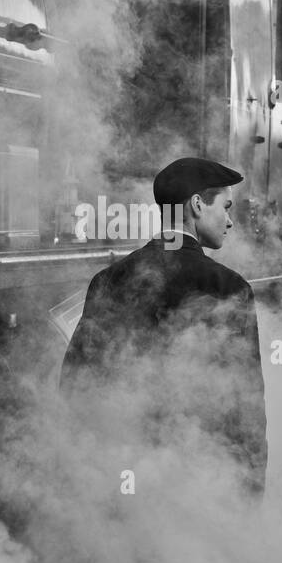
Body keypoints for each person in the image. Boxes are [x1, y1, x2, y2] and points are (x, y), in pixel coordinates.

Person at [60, 157, 268, 492]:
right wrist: (250, 494)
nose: (230, 221)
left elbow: (74, 387)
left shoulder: (107, 280)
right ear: (197, 205)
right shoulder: (229, 288)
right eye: (226, 208)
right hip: (200, 486)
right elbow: (245, 408)